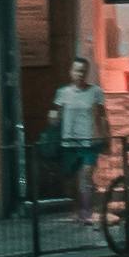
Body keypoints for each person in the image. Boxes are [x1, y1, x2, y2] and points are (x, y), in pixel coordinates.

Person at [51, 56, 106, 222]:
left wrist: (106, 136)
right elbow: (55, 116)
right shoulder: (62, 93)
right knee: (73, 180)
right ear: (71, 72)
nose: (80, 74)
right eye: (77, 70)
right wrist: (53, 118)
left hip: (89, 140)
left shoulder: (95, 92)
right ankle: (77, 210)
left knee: (86, 175)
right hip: (69, 142)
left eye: (83, 71)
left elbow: (102, 116)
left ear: (87, 72)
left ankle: (86, 211)